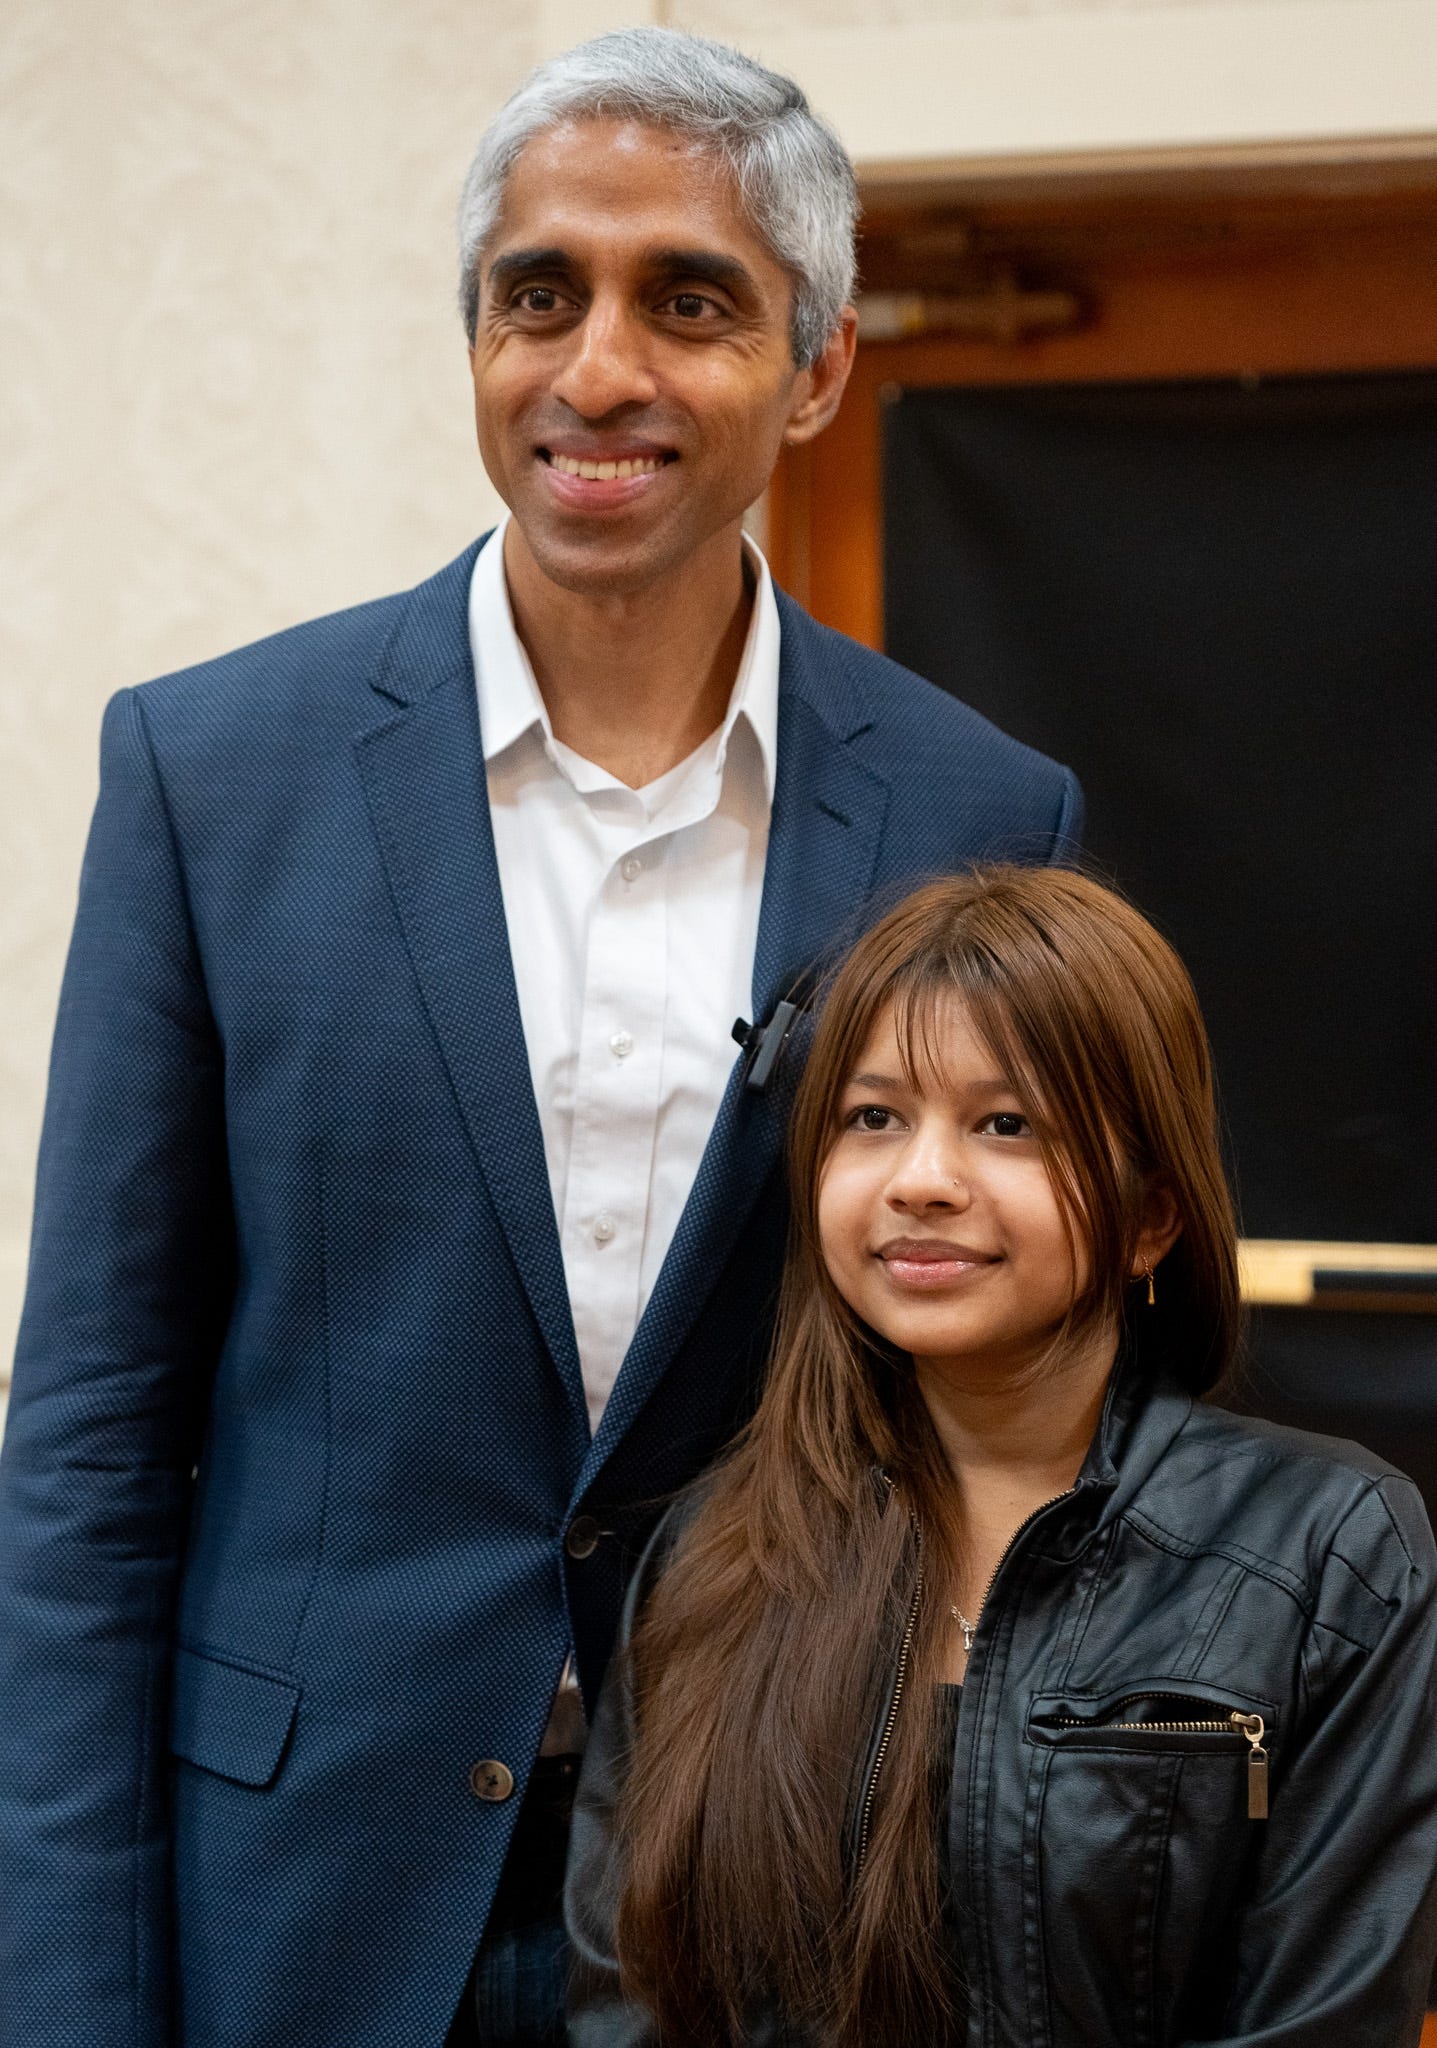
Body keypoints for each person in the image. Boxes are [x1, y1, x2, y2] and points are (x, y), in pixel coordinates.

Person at [0, 29, 1085, 2048]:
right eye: (537, 295)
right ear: (475, 340)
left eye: (688, 301)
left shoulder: (979, 812)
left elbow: (1025, 1406)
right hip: (293, 1894)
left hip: (780, 1888)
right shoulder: (211, 776)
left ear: (818, 364)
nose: (598, 370)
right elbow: (91, 1435)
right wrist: (65, 1990)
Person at [567, 865, 1437, 2048]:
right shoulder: (721, 1548)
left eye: (1006, 1123)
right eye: (873, 1117)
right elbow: (629, 1995)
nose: (922, 1180)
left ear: (1150, 1216)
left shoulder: (1329, 1553)